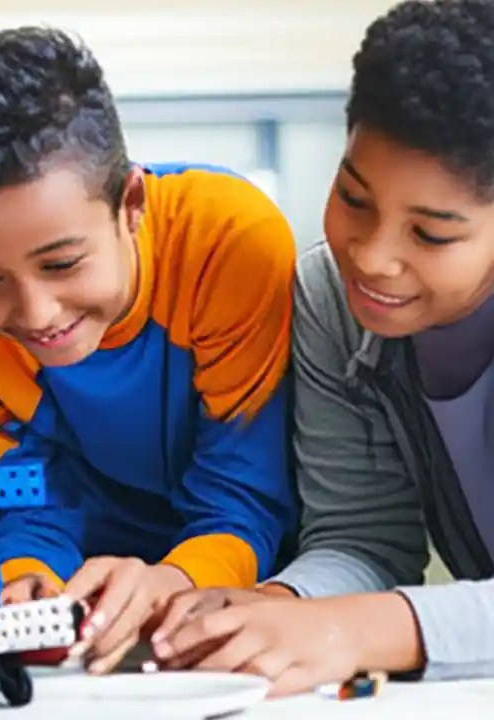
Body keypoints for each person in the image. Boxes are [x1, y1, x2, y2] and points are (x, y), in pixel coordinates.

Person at [0, 26, 298, 674]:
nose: (36, 314)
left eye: (63, 262)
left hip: (244, 590)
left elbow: (247, 495)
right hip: (80, 624)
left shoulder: (230, 240)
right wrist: (25, 584)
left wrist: (177, 581)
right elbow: (16, 495)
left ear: (130, 203)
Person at [150, 0, 494, 695]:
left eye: (431, 235)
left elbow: (371, 621)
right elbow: (363, 536)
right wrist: (282, 609)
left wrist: (360, 629)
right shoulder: (331, 298)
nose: (371, 258)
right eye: (354, 197)